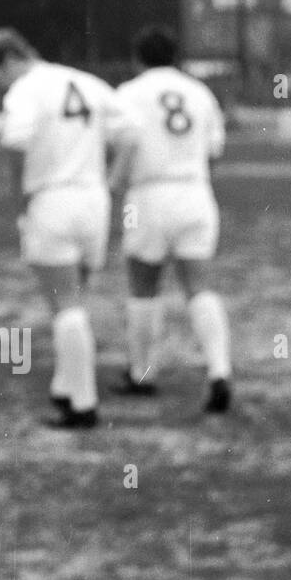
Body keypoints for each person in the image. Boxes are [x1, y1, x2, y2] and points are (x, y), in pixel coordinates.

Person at [0, 28, 128, 428]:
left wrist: (22, 205)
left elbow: (16, 148)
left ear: (6, 60)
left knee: (66, 306)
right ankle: (66, 386)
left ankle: (83, 404)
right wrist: (110, 179)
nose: (0, 84)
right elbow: (130, 131)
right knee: (75, 299)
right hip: (95, 201)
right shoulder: (85, 81)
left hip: (53, 201)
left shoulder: (25, 90)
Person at [109, 25, 232, 412]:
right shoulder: (200, 92)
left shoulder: (128, 93)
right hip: (195, 192)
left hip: (148, 195)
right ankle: (219, 371)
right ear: (176, 56)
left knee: (143, 286)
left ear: (137, 57)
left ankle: (142, 374)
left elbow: (118, 146)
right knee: (199, 285)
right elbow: (214, 152)